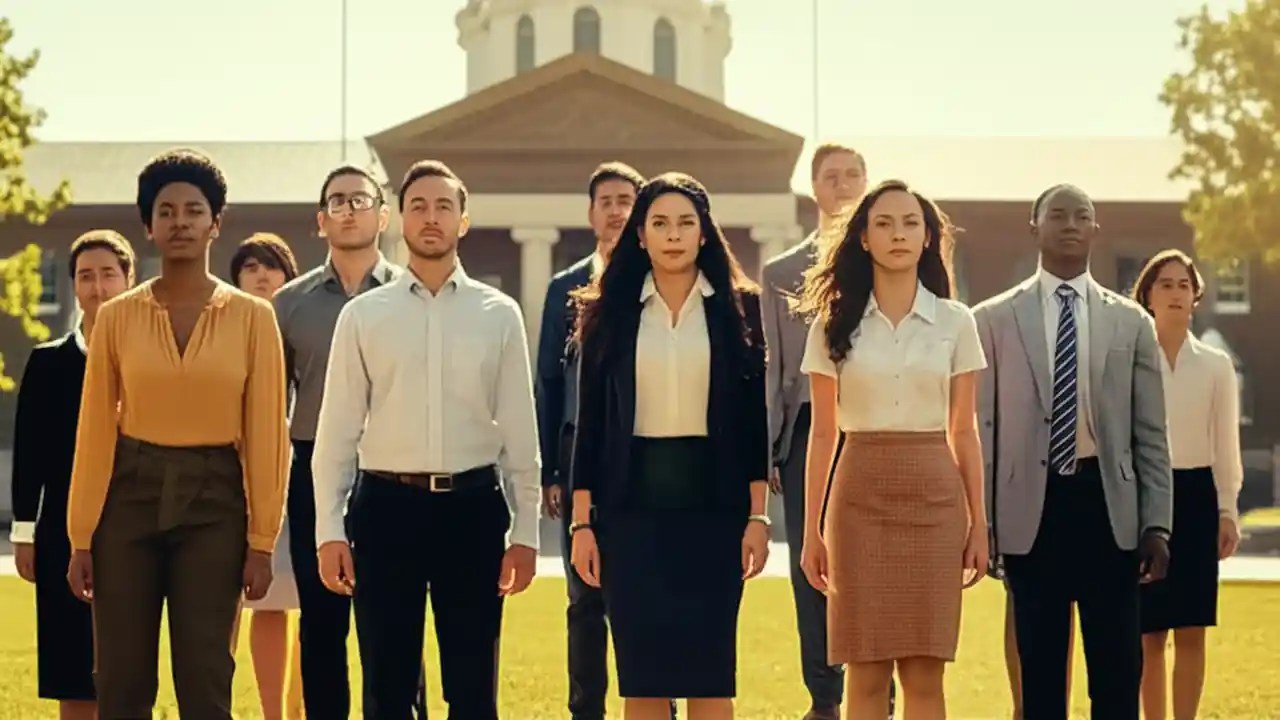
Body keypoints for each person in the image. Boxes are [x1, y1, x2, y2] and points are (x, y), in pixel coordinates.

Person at [65, 148, 289, 719]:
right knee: (121, 677)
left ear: (216, 222)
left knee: (206, 675)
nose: (181, 221)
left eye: (194, 210)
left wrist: (262, 540)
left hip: (215, 501)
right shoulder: (116, 316)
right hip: (128, 497)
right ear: (148, 225)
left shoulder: (253, 317)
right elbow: (94, 429)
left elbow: (266, 432)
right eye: (167, 211)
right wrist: (81, 535)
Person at [311, 159, 540, 720]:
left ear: (464, 221)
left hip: (473, 512)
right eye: (419, 206)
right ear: (398, 221)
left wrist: (528, 530)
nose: (431, 217)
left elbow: (519, 428)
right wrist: (328, 530)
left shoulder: (499, 314)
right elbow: (337, 430)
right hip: (386, 511)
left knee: (471, 690)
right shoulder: (364, 316)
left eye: (444, 206)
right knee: (386, 690)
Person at [569, 171, 772, 720]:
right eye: (660, 222)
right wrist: (582, 524)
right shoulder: (607, 312)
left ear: (705, 233)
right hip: (629, 516)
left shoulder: (741, 310)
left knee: (710, 677)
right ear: (641, 235)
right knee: (644, 679)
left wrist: (759, 517)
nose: (674, 234)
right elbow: (588, 428)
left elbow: (755, 425)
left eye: (687, 222)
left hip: (716, 514)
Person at [973, 183, 1173, 720]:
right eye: (1056, 215)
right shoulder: (991, 320)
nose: (1069, 224)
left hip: (1110, 512)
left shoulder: (1131, 322)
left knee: (1116, 673)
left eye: (1081, 215)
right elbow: (982, 429)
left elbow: (1151, 433)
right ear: (1033, 227)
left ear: (1094, 230)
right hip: (1030, 515)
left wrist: (1158, 525)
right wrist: (983, 523)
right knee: (1039, 676)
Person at [796, 179, 988, 720]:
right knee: (866, 669)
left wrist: (980, 523)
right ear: (862, 238)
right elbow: (822, 434)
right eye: (883, 222)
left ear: (928, 237)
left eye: (910, 223)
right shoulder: (832, 323)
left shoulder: (957, 322)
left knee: (926, 671)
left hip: (935, 500)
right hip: (858, 501)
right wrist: (812, 530)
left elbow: (964, 430)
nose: (898, 234)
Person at [271, 164, 405, 720]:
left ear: (383, 213)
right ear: (320, 220)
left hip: (394, 472)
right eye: (337, 201)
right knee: (322, 622)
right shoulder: (289, 304)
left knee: (391, 620)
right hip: (313, 470)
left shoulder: (411, 294)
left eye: (361, 198)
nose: (349, 208)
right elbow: (274, 401)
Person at [760, 142, 887, 720]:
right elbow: (776, 369)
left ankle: (879, 696)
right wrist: (769, 448)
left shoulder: (891, 260)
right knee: (812, 566)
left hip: (878, 429)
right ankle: (824, 697)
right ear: (814, 188)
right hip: (808, 429)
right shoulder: (782, 273)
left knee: (875, 566)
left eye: (853, 175)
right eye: (831, 176)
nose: (843, 184)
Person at [534, 160, 650, 720]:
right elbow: (549, 384)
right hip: (582, 462)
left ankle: (657, 704)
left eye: (626, 198)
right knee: (584, 598)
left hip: (647, 462)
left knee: (648, 594)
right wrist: (551, 473)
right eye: (605, 199)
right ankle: (586, 710)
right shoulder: (564, 290)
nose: (615, 208)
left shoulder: (658, 281)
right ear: (590, 213)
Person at [11, 230, 136, 720]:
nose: (98, 286)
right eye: (86, 276)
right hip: (62, 530)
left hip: (133, 525)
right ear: (74, 286)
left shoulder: (150, 360)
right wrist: (25, 533)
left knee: (125, 662)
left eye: (108, 274)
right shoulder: (48, 363)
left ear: (129, 280)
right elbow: (30, 454)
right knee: (70, 660)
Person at [1131, 249, 1243, 720]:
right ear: (1148, 296)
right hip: (1145, 501)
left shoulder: (1216, 365)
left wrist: (1227, 510)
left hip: (1198, 499)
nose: (1175, 293)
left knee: (1192, 628)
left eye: (1183, 285)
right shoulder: (1132, 361)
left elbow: (1226, 441)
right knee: (1149, 633)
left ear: (1195, 298)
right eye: (1165, 284)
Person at [229, 233, 305, 720]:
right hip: (227, 483)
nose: (261, 275)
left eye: (272, 266)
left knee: (286, 603)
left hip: (295, 483)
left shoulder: (305, 337)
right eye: (250, 266)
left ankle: (285, 713)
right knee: (225, 606)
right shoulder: (224, 333)